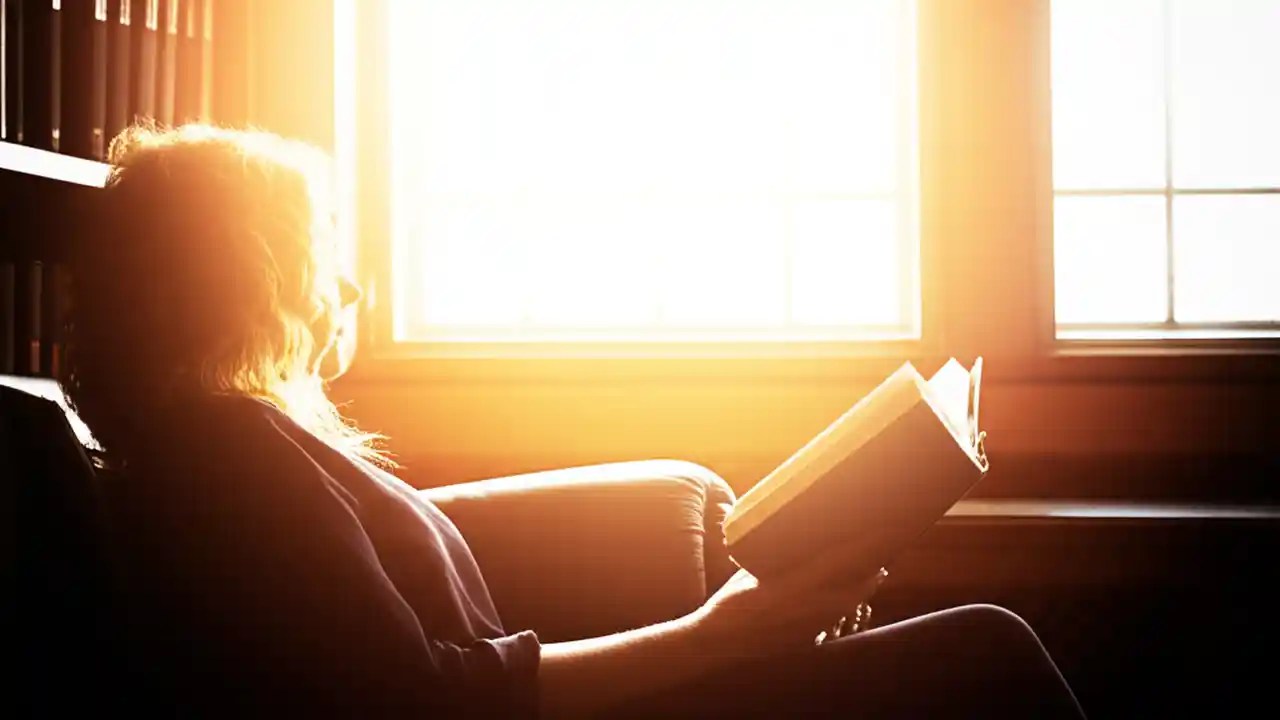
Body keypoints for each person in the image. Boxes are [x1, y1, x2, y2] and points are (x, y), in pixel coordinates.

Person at [63, 124, 1085, 718]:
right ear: (252, 279)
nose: (345, 285)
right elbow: (433, 703)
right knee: (983, 654)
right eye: (318, 249)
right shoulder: (227, 460)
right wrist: (708, 638)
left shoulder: (234, 441)